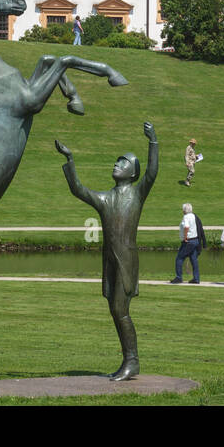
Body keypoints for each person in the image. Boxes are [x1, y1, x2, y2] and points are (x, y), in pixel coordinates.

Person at [55, 121, 158, 381]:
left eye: (123, 163)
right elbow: (77, 189)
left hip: (125, 262)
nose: (116, 164)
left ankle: (132, 361)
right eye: (116, 161)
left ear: (133, 173)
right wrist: (69, 159)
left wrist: (152, 141)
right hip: (110, 263)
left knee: (120, 309)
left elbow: (153, 173)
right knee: (115, 309)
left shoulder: (137, 194)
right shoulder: (105, 199)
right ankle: (129, 360)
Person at [170, 202, 203, 284]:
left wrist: (185, 238)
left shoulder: (186, 217)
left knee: (179, 258)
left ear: (184, 210)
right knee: (193, 259)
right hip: (195, 240)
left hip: (189, 241)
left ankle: (179, 277)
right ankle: (196, 278)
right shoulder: (193, 216)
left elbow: (186, 227)